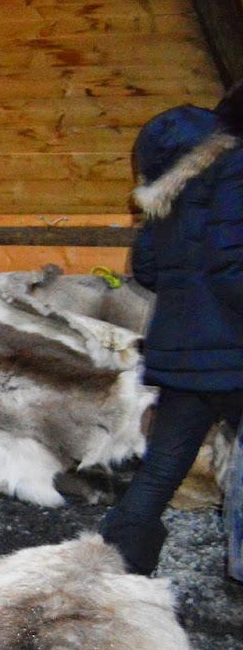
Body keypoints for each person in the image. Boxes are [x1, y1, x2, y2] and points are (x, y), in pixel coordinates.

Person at [100, 80, 243, 577]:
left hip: (182, 353)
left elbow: (147, 269)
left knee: (160, 471)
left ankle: (119, 573)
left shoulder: (168, 190)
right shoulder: (237, 171)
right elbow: (230, 268)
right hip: (234, 349)